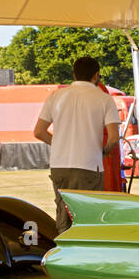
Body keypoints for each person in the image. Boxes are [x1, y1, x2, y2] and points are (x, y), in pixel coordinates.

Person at [32, 56, 121, 234]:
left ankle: (64, 246)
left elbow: (39, 131)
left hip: (59, 165)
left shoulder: (56, 96)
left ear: (74, 74)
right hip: (89, 166)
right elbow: (113, 138)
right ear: (96, 75)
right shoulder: (104, 99)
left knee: (63, 216)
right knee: (88, 217)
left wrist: (59, 144)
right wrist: (102, 152)